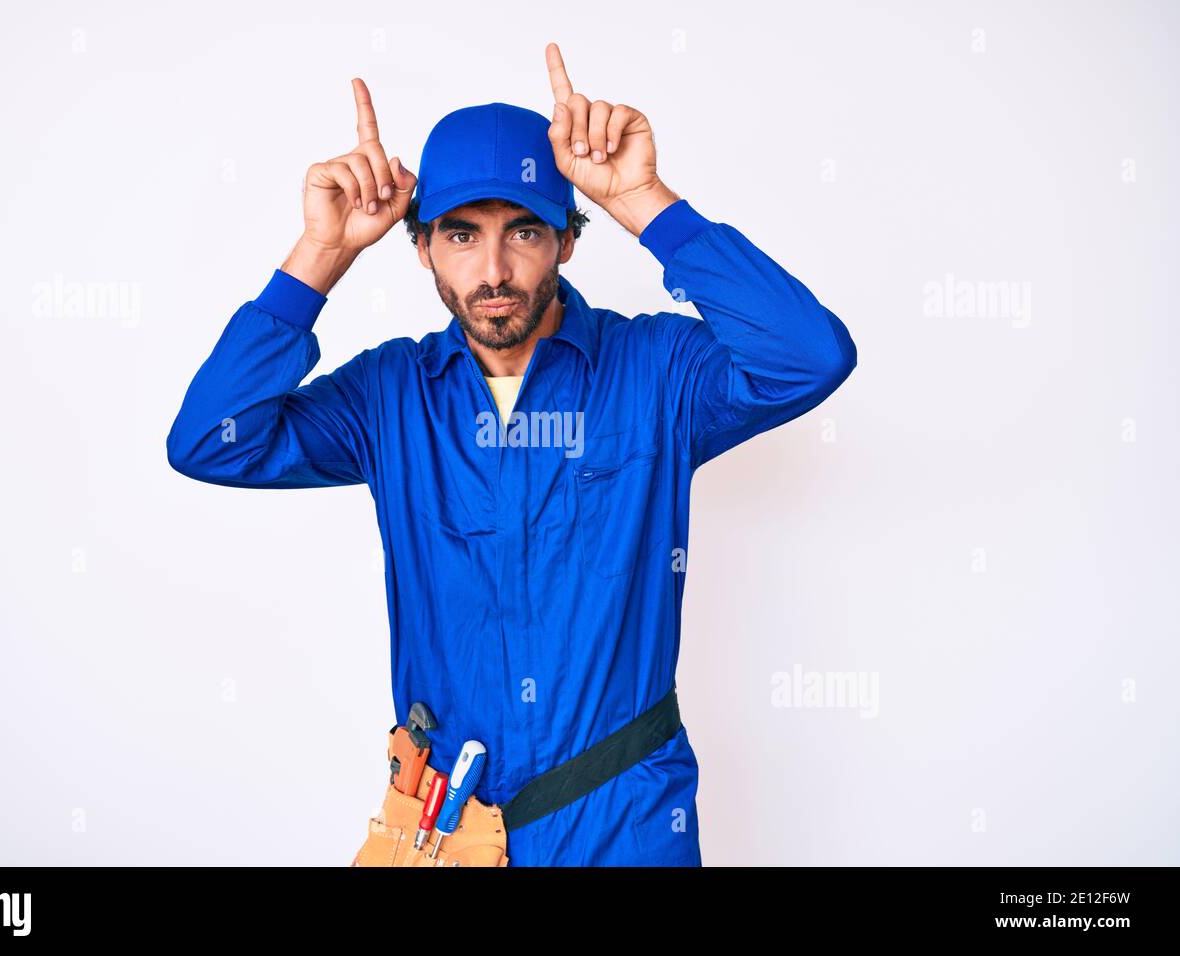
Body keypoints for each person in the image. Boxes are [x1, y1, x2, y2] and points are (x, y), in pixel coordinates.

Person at [166, 42, 857, 866]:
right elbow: (210, 441)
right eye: (461, 235)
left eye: (523, 230)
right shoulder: (389, 397)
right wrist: (321, 256)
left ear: (568, 239)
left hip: (625, 823)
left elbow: (810, 356)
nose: (494, 271)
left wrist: (647, 202)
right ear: (420, 247)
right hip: (449, 827)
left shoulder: (658, 374)